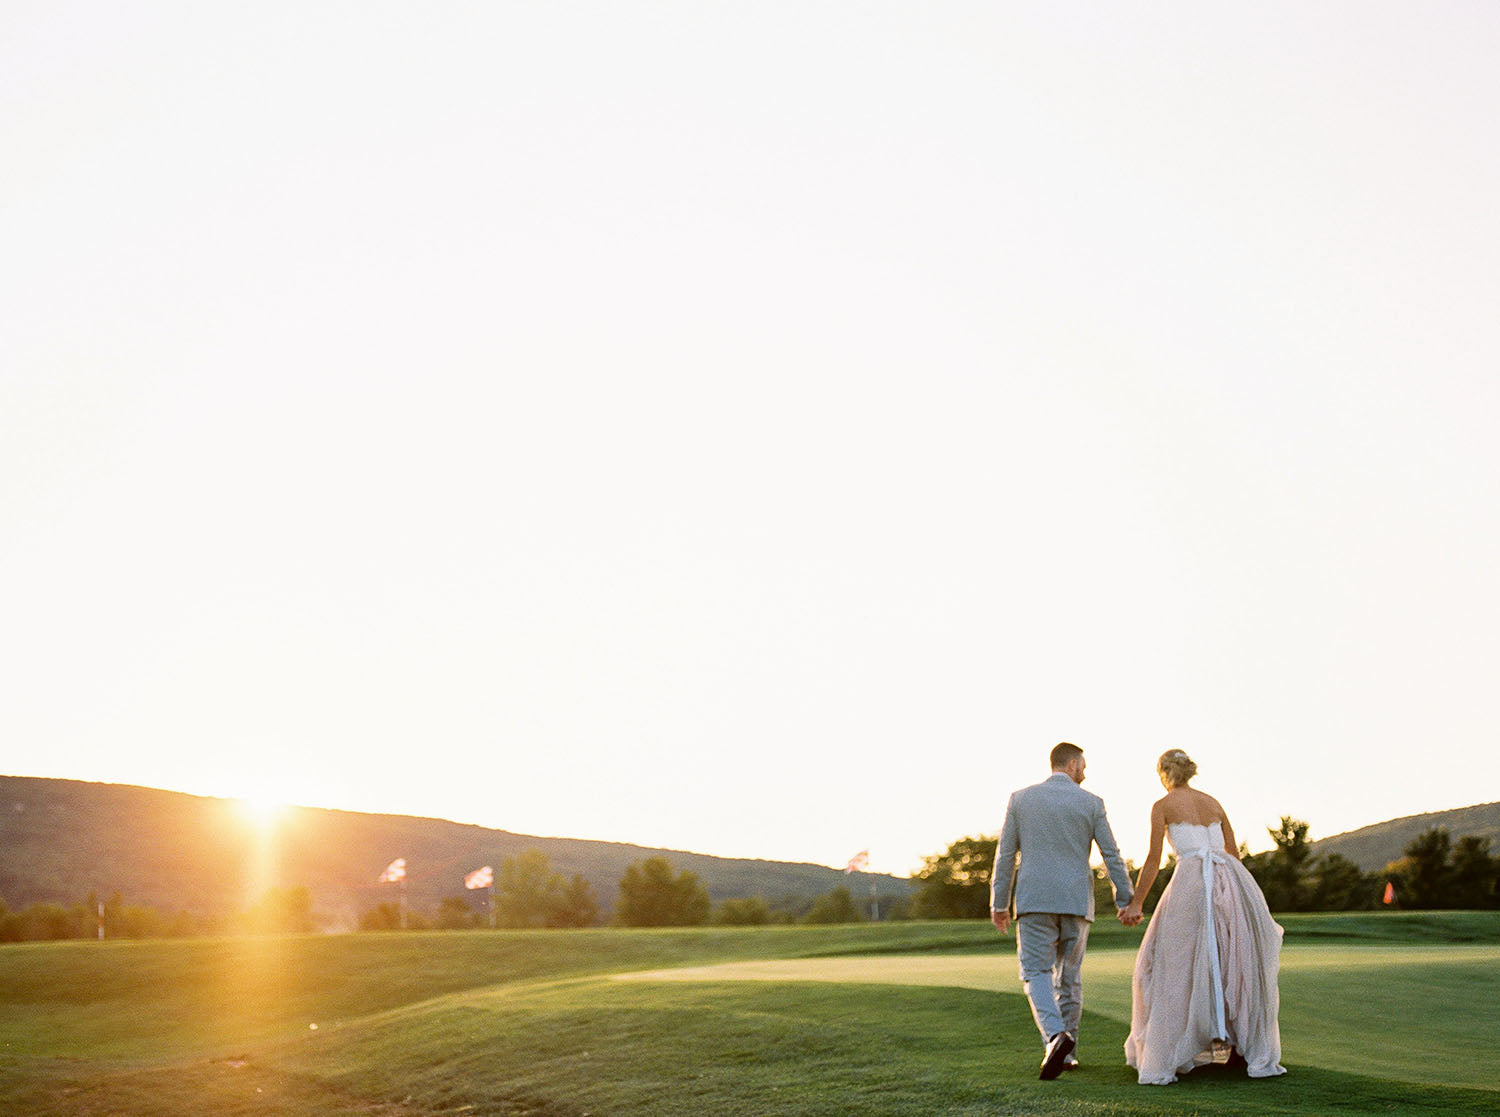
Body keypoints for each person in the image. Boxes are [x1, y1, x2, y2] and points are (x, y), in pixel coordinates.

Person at [1121, 749, 1287, 1085]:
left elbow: (1153, 859)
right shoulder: (1213, 802)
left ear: (1164, 773)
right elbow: (1233, 853)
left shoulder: (1162, 805)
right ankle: (1236, 1045)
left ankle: (1177, 1050)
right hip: (1231, 880)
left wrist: (1136, 902)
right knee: (1232, 960)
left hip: (1192, 882)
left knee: (1173, 963)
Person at [991, 742, 1138, 1080]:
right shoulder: (1092, 803)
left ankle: (1056, 1037)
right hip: (1075, 902)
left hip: (1034, 901)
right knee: (1069, 978)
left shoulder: (1021, 799)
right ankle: (1067, 1053)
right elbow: (1111, 855)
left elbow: (1005, 856)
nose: (1085, 772)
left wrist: (999, 903)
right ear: (1072, 764)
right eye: (1083, 765)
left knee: (1036, 973)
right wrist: (1125, 899)